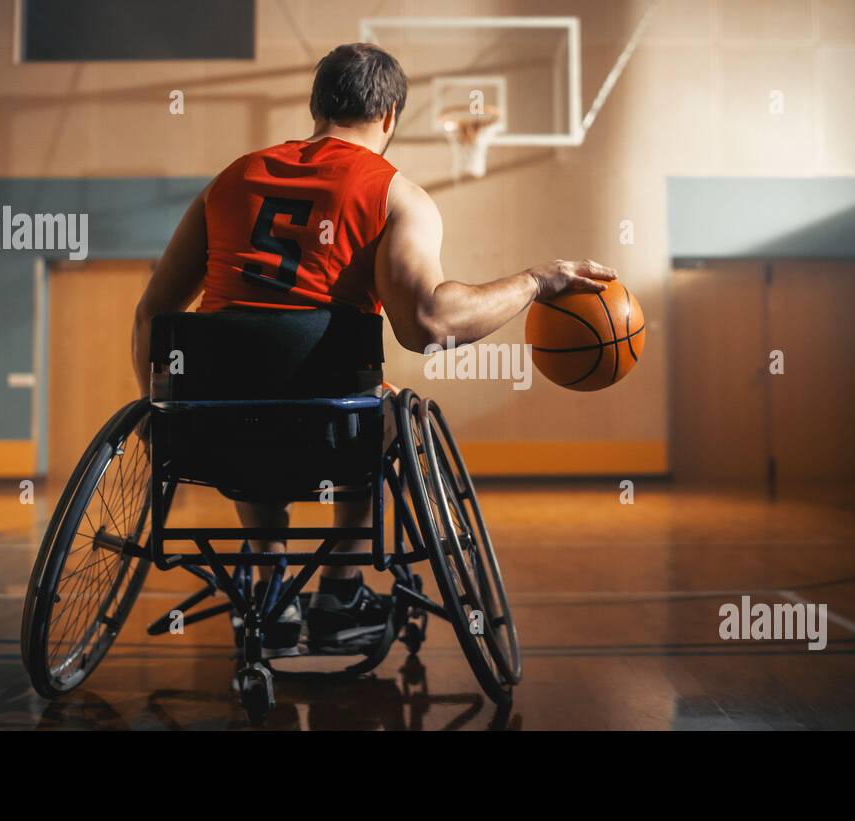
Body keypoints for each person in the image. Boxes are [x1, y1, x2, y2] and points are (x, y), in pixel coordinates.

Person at [130, 42, 614, 657]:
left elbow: (152, 312)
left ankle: (270, 593)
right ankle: (340, 590)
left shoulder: (230, 180)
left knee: (250, 387)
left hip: (212, 430)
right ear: (389, 116)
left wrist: (158, 411)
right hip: (329, 433)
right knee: (373, 406)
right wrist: (536, 281)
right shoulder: (395, 194)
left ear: (315, 106)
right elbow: (428, 325)